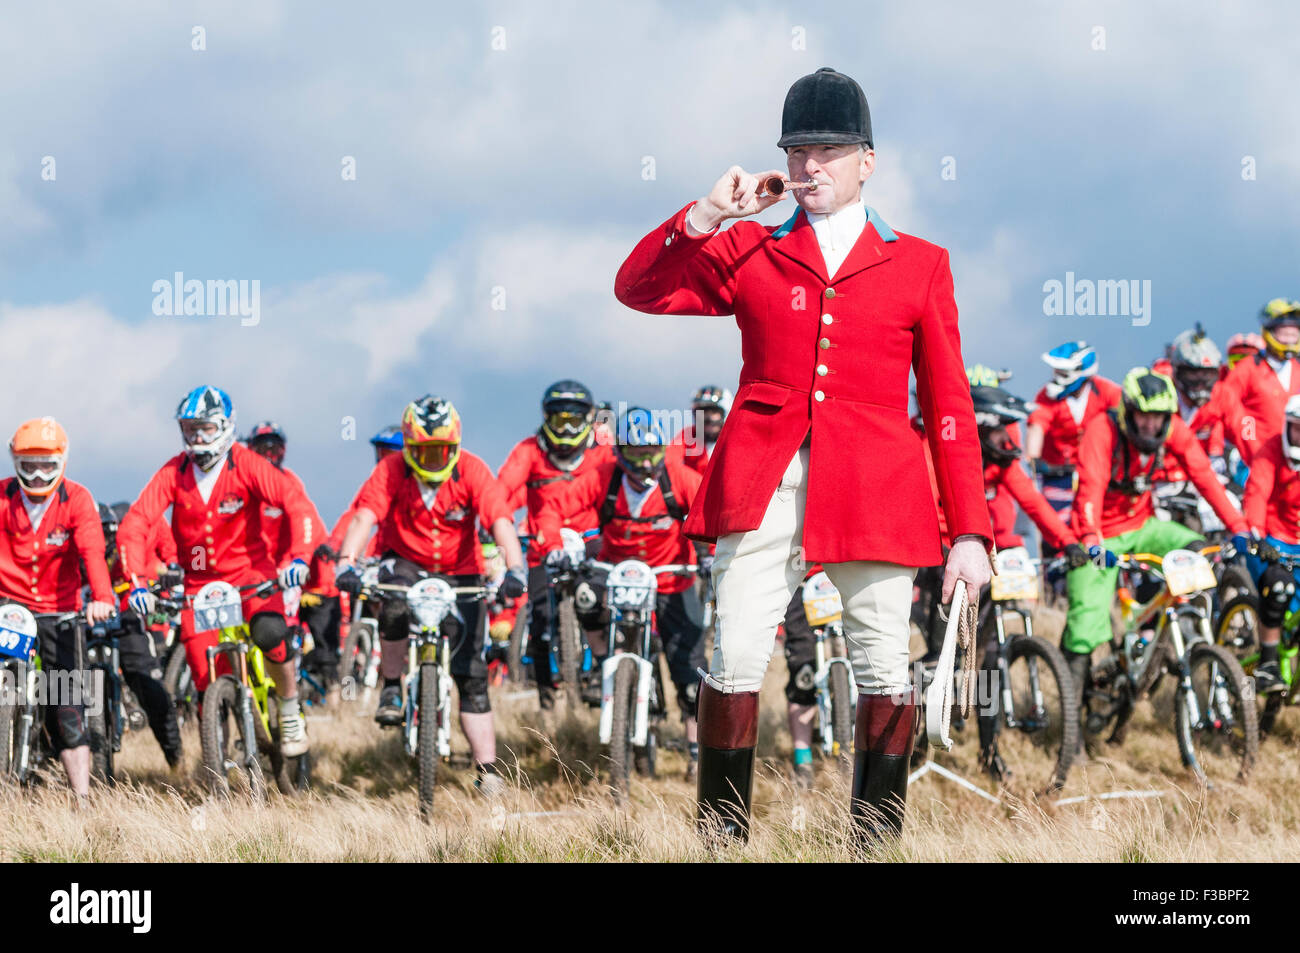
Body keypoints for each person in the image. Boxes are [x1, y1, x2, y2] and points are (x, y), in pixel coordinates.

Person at [614, 67, 993, 844]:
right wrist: (707, 213)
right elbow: (639, 288)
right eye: (796, 152)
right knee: (734, 654)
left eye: (825, 151)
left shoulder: (922, 264)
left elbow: (950, 407)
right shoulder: (749, 246)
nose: (807, 167)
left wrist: (971, 531)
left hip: (878, 485)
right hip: (762, 478)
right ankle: (722, 842)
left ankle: (874, 844)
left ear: (866, 160)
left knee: (886, 665)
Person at [333, 396, 527, 795]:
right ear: (409, 448)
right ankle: (391, 685)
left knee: (472, 676)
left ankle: (486, 771)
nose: (435, 460)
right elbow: (365, 516)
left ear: (455, 447)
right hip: (405, 563)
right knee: (393, 604)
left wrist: (515, 569)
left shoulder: (472, 469)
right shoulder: (390, 471)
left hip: (462, 572)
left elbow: (500, 520)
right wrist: (346, 563)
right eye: (425, 452)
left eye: (442, 451)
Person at [118, 386, 316, 758]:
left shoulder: (247, 463)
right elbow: (135, 523)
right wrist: (137, 583)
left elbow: (297, 505)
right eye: (190, 429)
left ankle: (289, 709)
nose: (197, 437)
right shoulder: (174, 471)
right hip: (198, 586)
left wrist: (299, 559)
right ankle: (217, 760)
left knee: (271, 633)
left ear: (225, 426)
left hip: (253, 579)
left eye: (205, 428)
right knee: (206, 678)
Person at [1064, 369, 1247, 731]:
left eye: (1159, 418)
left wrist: (1238, 526)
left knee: (1196, 549)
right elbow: (1089, 490)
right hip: (1099, 533)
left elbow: (1205, 477)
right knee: (1085, 624)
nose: (1150, 426)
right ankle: (1073, 726)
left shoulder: (1173, 429)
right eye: (1143, 416)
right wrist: (1090, 539)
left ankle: (1156, 635)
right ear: (1128, 411)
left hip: (1145, 526)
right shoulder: (1103, 430)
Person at [537, 407, 707, 778]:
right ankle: (602, 663)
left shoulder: (680, 478)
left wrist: (711, 555)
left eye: (651, 453)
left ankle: (697, 751)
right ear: (619, 453)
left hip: (671, 579)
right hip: (615, 572)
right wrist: (552, 546)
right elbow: (554, 508)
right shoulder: (602, 477)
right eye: (635, 454)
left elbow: (712, 511)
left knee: (691, 672)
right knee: (583, 595)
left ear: (662, 451)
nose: (644, 463)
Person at [0, 418, 115, 797]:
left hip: (60, 613)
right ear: (15, 461)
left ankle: (81, 800)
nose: (36, 474)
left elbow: (92, 552)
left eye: (46, 464)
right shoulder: (1, 496)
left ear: (61, 462)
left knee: (67, 706)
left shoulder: (78, 499)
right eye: (28, 464)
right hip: (9, 607)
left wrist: (101, 597)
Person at [496, 380, 609, 712]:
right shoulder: (529, 450)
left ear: (589, 419)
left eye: (575, 419)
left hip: (592, 542)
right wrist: (494, 524)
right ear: (546, 418)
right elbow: (501, 493)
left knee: (599, 603)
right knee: (540, 622)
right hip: (543, 546)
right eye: (560, 420)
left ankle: (604, 670)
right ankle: (547, 701)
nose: (568, 428)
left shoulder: (603, 450)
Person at [243, 421, 340, 702]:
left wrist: (314, 551)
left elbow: (305, 516)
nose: (268, 452)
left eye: (274, 446)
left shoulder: (289, 482)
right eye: (262, 446)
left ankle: (291, 691)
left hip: (285, 568)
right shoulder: (245, 482)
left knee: (282, 624)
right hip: (249, 568)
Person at [100, 501, 184, 768]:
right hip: (100, 615)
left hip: (139, 612)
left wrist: (171, 570)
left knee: (147, 681)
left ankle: (176, 757)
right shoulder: (98, 537)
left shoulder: (154, 523)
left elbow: (173, 554)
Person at [1239, 394, 1300, 694]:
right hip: (1271, 541)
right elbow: (1257, 494)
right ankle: (1267, 663)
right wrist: (1257, 534)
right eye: (1298, 428)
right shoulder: (1270, 450)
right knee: (1278, 587)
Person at [1024, 342, 1121, 520]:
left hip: (1098, 471)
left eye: (1063, 373)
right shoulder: (1046, 396)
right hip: (1057, 475)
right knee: (1056, 525)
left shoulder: (1108, 392)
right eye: (1056, 371)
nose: (1056, 377)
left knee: (1094, 517)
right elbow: (1037, 425)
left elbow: (1124, 423)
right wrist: (1033, 459)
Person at [1218, 299, 1300, 466]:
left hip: (1293, 461)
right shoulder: (1247, 369)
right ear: (1269, 331)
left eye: (1294, 333)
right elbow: (1221, 410)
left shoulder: (1297, 369)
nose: (1290, 340)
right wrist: (1247, 440)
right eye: (1284, 333)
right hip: (1252, 460)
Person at [1166, 327, 1227, 469]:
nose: (1201, 384)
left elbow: (1245, 432)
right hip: (1161, 477)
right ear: (1177, 372)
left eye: (1207, 375)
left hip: (1203, 472)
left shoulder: (1222, 395)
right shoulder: (1160, 396)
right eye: (1193, 374)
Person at [672, 386, 733, 474]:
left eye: (714, 411)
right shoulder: (688, 436)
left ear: (725, 414)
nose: (707, 418)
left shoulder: (735, 439)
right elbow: (669, 460)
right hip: (695, 487)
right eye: (702, 412)